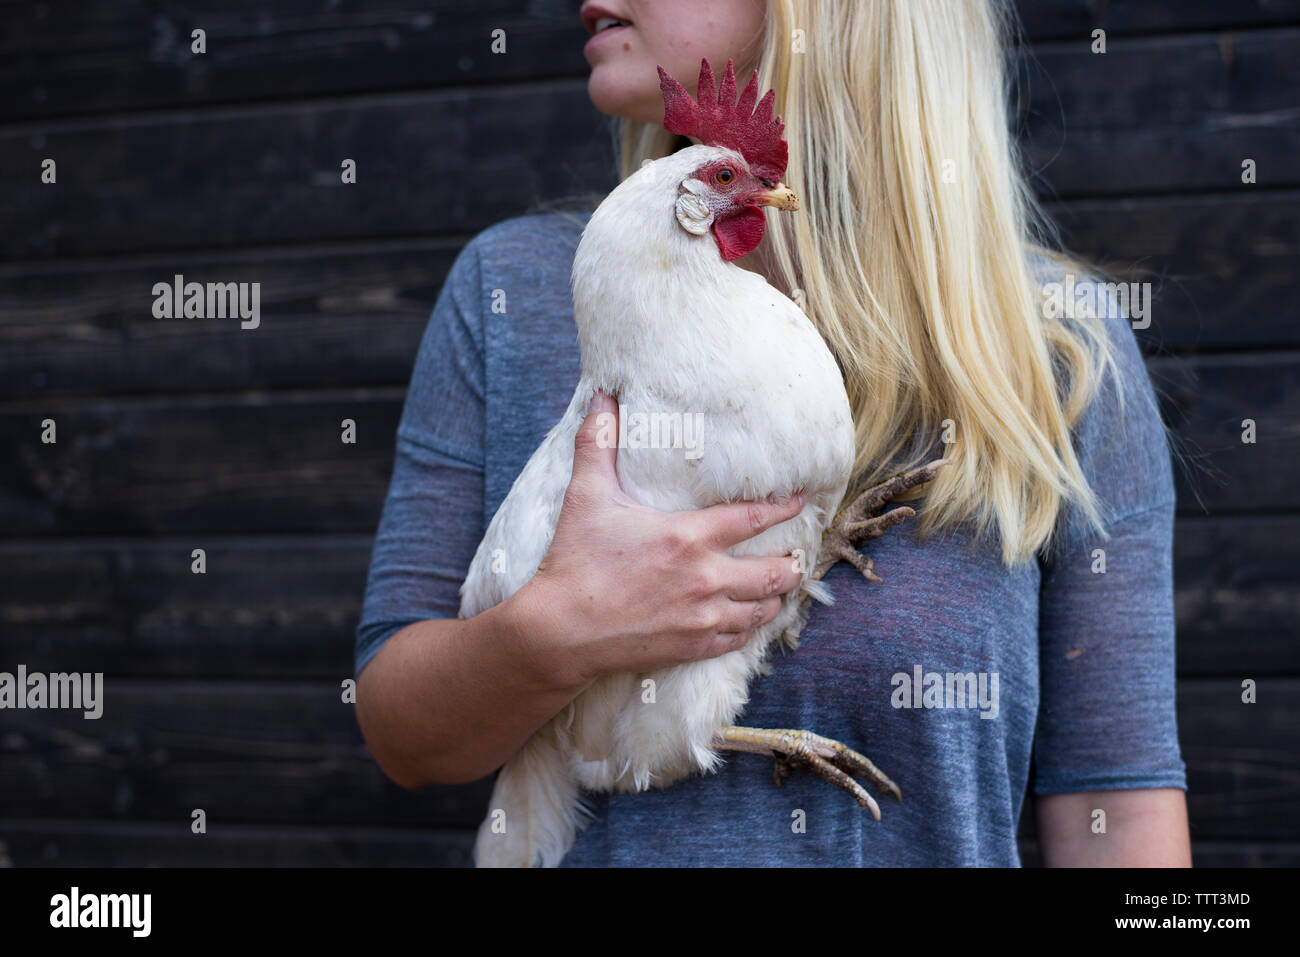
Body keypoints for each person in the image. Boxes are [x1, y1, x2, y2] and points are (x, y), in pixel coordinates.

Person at [352, 0, 1191, 866]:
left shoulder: (1054, 344)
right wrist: (555, 628)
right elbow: (404, 735)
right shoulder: (513, 292)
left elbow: (1116, 810)